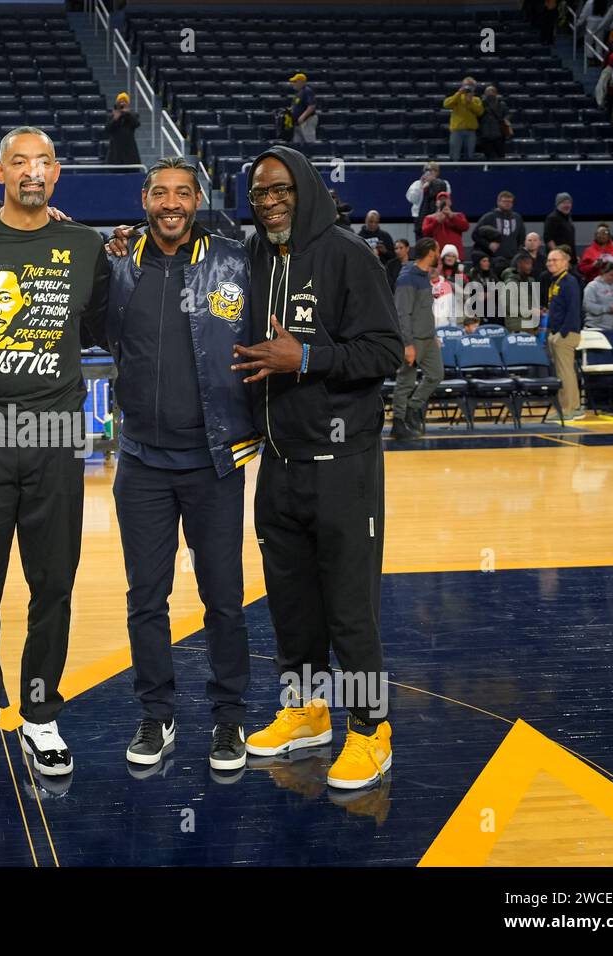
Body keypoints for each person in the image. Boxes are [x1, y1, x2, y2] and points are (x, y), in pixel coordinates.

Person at [0, 126, 109, 786]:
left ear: (56, 174)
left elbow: (106, 324)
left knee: (53, 582)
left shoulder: (84, 245)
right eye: (19, 161)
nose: (32, 171)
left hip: (56, 433)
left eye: (44, 162)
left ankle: (40, 714)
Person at [231, 145, 404, 790]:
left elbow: (385, 351)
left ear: (304, 189)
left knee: (349, 608)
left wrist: (305, 358)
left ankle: (371, 730)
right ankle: (307, 711)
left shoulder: (349, 255)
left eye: (281, 189)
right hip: (277, 461)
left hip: (342, 464)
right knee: (292, 603)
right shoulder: (254, 256)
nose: (270, 201)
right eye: (259, 193)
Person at [100, 158, 255, 770]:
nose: (171, 203)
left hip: (214, 460)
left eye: (182, 193)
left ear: (197, 201)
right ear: (144, 200)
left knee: (224, 598)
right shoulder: (118, 263)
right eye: (160, 193)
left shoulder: (235, 261)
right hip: (141, 461)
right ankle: (157, 714)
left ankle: (229, 719)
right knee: (146, 598)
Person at [390, 237, 441, 440]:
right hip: (414, 339)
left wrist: (433, 334)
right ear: (430, 253)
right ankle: (398, 423)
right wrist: (407, 344)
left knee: (436, 374)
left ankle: (412, 408)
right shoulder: (407, 278)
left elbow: (424, 310)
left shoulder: (423, 274)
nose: (439, 255)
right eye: (437, 251)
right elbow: (402, 314)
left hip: (428, 337)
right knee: (406, 381)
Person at [543, 247, 583, 420]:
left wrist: (563, 333)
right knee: (564, 372)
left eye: (555, 260)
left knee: (565, 373)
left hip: (566, 334)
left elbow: (573, 309)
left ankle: (568, 409)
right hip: (558, 332)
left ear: (565, 262)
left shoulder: (569, 281)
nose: (550, 263)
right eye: (549, 260)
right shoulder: (556, 281)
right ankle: (571, 407)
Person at [474, 190, 526, 264]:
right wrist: (488, 245)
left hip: (512, 259)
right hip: (493, 259)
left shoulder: (517, 218)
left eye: (510, 202)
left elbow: (521, 239)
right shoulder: (489, 217)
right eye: (505, 201)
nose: (507, 204)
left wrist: (518, 254)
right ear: (498, 202)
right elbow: (475, 235)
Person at [500, 250, 542, 333]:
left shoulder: (529, 281)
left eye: (531, 264)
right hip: (517, 327)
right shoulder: (511, 283)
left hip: (530, 326)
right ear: (519, 264)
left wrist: (539, 309)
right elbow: (509, 307)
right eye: (527, 263)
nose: (530, 266)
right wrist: (531, 311)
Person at [443, 76, 484, 160]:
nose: (468, 87)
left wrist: (470, 102)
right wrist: (459, 93)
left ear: (474, 87)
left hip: (471, 131)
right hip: (457, 131)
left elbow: (480, 112)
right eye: (466, 85)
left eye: (471, 85)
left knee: (469, 156)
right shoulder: (457, 98)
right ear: (462, 86)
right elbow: (446, 104)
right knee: (455, 156)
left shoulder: (476, 99)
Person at [421, 190, 469, 259]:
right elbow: (425, 232)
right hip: (437, 255)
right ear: (436, 203)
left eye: (445, 199)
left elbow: (465, 227)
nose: (443, 201)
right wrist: (436, 221)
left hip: (455, 255)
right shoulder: (429, 218)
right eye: (440, 199)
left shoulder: (458, 215)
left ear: (450, 202)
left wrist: (452, 217)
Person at [406, 161, 450, 234]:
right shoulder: (417, 184)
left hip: (437, 215)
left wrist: (432, 183)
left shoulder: (444, 183)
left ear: (438, 172)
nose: (430, 172)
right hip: (420, 216)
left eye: (433, 170)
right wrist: (421, 186)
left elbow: (444, 197)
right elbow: (412, 199)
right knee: (421, 236)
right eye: (427, 170)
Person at [106, 92, 142, 165]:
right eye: (120, 102)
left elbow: (137, 124)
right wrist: (115, 119)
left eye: (124, 102)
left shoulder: (133, 115)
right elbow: (107, 129)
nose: (122, 104)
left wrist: (128, 114)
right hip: (115, 152)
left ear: (127, 104)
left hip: (130, 151)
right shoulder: (112, 116)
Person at [477, 85, 511, 158]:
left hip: (498, 134)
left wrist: (505, 120)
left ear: (496, 93)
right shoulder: (480, 104)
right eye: (488, 92)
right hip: (485, 134)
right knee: (488, 156)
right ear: (484, 93)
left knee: (501, 156)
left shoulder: (501, 104)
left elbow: (507, 114)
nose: (490, 93)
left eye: (492, 91)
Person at [287, 72, 318, 144]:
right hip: (298, 122)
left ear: (301, 82)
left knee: (309, 141)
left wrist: (303, 117)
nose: (293, 83)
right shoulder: (299, 93)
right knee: (297, 143)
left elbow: (312, 106)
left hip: (307, 120)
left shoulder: (307, 91)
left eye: (295, 81)